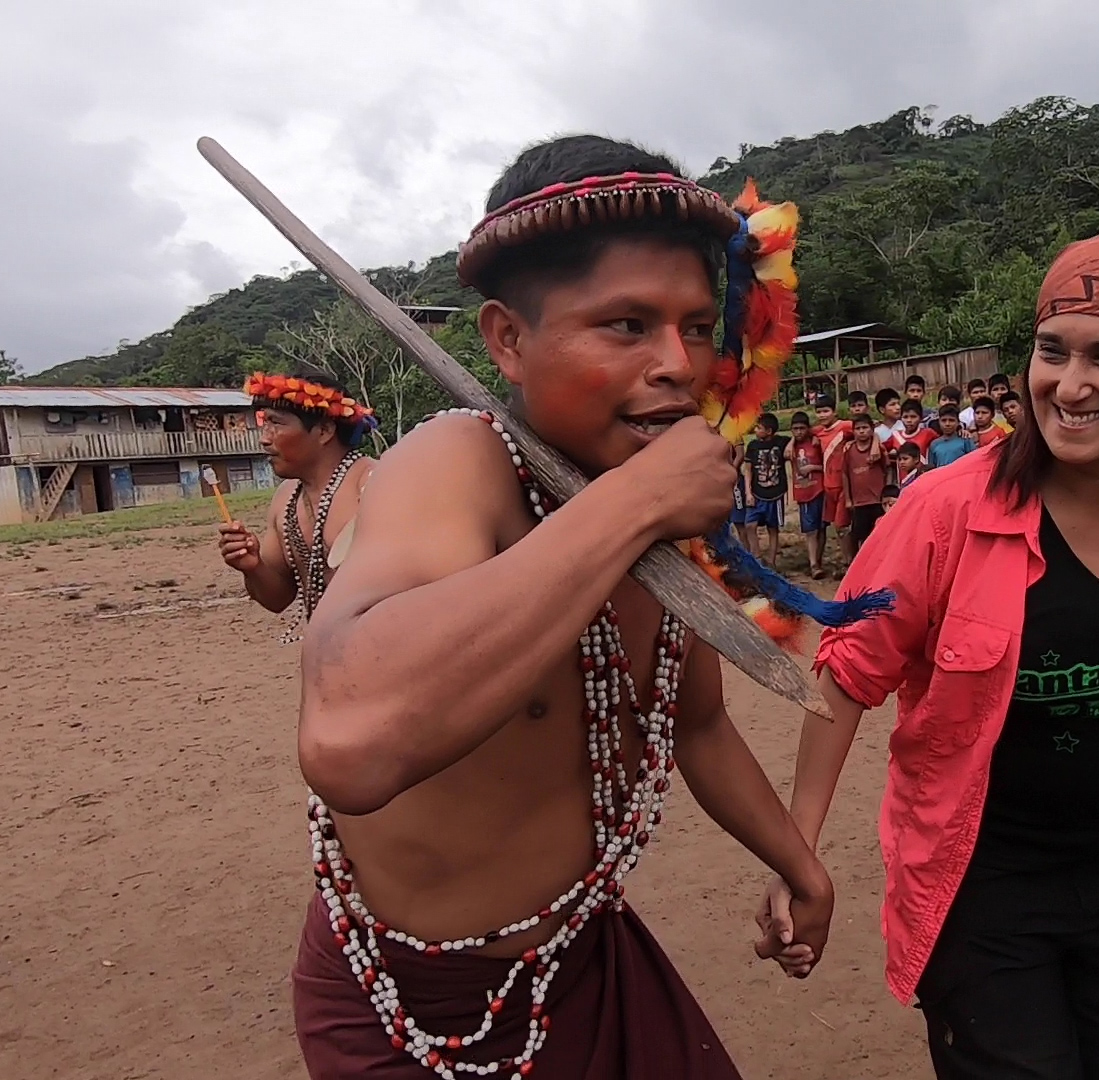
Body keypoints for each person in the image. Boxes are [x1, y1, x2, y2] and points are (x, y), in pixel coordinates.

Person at [289, 135, 833, 1079]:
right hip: (410, 1007)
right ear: (507, 339)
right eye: (626, 325)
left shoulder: (646, 505)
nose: (678, 364)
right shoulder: (458, 463)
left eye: (698, 327)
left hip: (585, 960)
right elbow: (352, 741)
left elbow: (697, 724)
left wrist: (800, 863)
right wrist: (638, 507)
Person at [755, 230, 1099, 1080]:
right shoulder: (945, 512)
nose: (1069, 386)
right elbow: (848, 676)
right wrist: (799, 855)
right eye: (1052, 351)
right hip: (981, 890)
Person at [220, 372, 378, 641]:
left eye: (277, 423)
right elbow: (277, 599)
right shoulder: (286, 498)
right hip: (327, 656)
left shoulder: (374, 484)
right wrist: (252, 566)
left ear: (324, 430)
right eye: (264, 424)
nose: (264, 439)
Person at [840, 416, 891, 557]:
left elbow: (887, 469)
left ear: (872, 430)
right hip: (859, 501)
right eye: (858, 428)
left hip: (877, 500)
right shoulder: (849, 450)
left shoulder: (878, 449)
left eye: (865, 428)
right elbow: (845, 474)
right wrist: (848, 499)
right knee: (857, 535)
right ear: (853, 431)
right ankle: (855, 563)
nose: (862, 431)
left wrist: (886, 493)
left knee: (877, 534)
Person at [746, 412, 790, 566]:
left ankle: (771, 561)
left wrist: (790, 447)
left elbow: (799, 437)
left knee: (773, 527)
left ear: (769, 431)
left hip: (775, 494)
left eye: (759, 428)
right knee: (750, 525)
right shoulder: (752, 446)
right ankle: (757, 557)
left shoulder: (782, 442)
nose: (756, 430)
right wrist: (748, 492)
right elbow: (748, 470)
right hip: (757, 493)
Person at [814, 393, 854, 559]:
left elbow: (868, 428)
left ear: (834, 412)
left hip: (844, 485)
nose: (822, 415)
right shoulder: (819, 431)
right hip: (828, 486)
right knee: (837, 527)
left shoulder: (846, 426)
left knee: (842, 526)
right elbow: (800, 432)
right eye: (819, 412)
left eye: (826, 411)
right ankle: (847, 561)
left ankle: (850, 562)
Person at [790, 410, 830, 579]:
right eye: (795, 429)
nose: (799, 432)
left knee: (822, 528)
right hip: (803, 491)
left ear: (808, 428)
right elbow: (786, 453)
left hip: (819, 489)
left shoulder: (816, 443)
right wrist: (791, 441)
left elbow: (826, 465)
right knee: (810, 530)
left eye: (802, 428)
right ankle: (813, 563)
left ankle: (818, 562)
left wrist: (813, 468)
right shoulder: (790, 446)